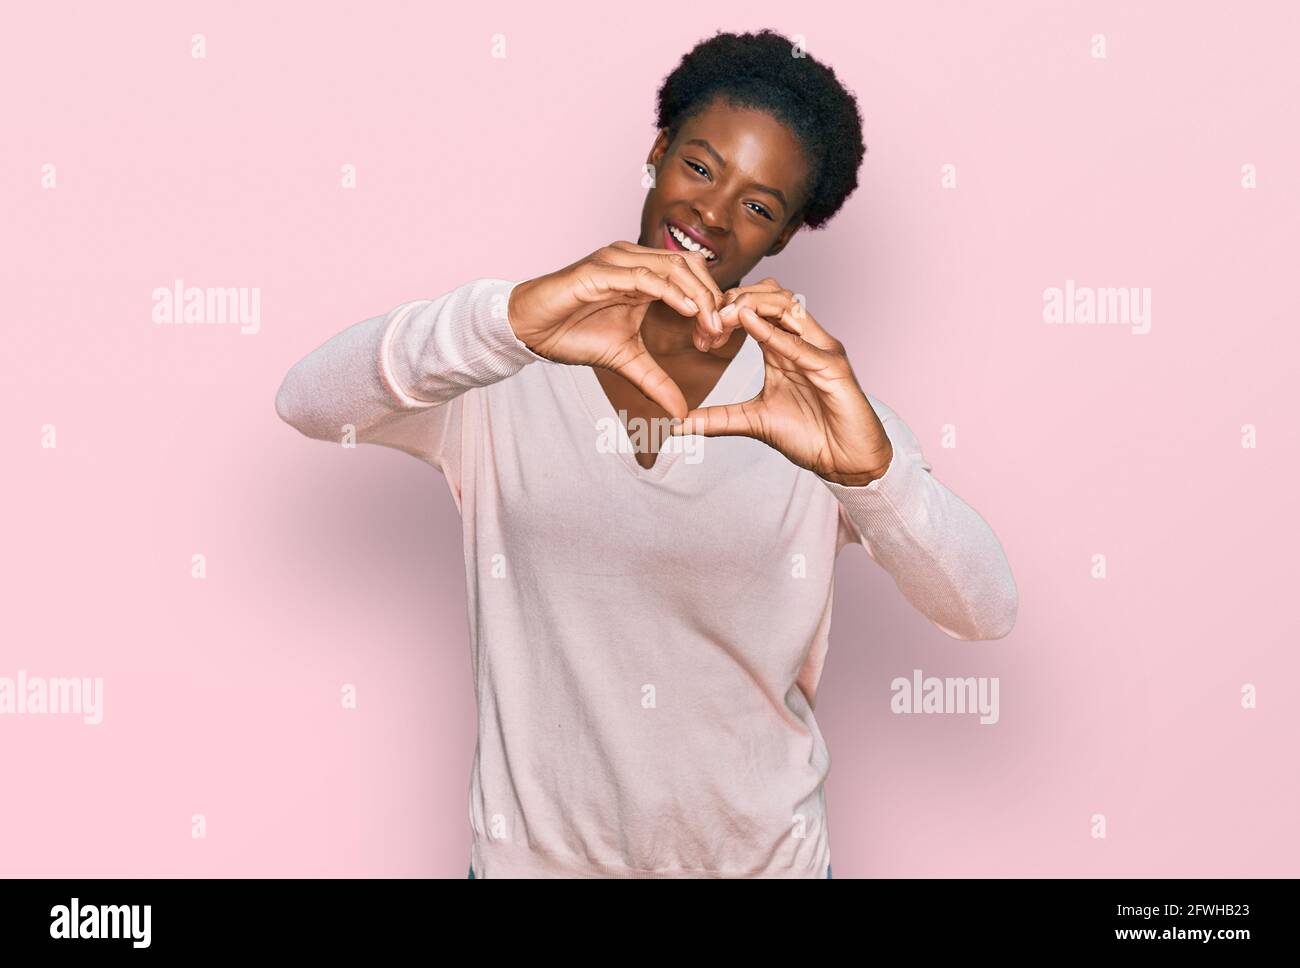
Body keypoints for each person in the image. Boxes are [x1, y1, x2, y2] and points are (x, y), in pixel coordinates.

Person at [275, 28, 1017, 879]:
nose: (713, 213)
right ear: (658, 153)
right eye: (701, 167)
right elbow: (306, 401)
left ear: (782, 238)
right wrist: (508, 319)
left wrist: (872, 476)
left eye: (760, 205)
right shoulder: (499, 367)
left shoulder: (814, 407)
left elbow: (984, 608)